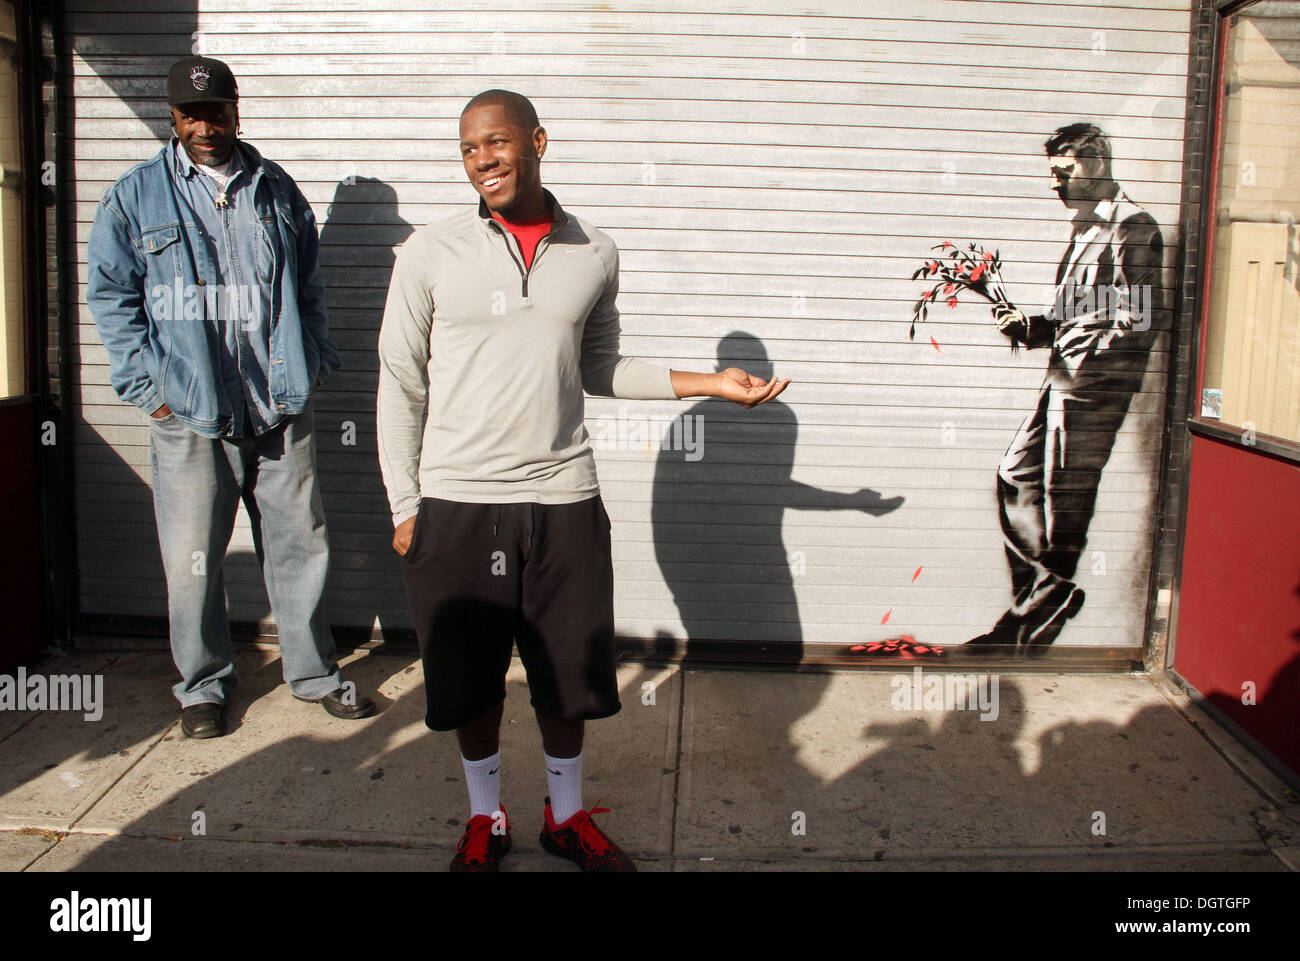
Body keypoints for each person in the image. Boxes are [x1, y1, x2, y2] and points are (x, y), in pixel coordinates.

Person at [377, 89, 789, 871]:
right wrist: (407, 503)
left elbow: (599, 367)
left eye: (495, 144)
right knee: (469, 681)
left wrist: (711, 382)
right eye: (467, 150)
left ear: (536, 140)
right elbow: (399, 380)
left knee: (569, 675)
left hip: (563, 498)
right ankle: (484, 817)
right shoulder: (429, 251)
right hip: (459, 502)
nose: (481, 162)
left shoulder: (594, 250)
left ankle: (565, 818)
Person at [87, 56, 375, 738]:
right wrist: (149, 392)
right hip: (190, 413)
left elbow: (308, 283)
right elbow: (111, 298)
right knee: (191, 559)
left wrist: (315, 361)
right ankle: (203, 688)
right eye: (191, 115)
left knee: (300, 543)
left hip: (278, 404)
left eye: (216, 112)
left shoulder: (275, 188)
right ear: (173, 118)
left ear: (235, 111)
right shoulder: (134, 197)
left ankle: (311, 673)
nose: (204, 126)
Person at [968, 122, 1162, 650]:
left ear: (1096, 163)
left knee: (1065, 495)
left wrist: (1087, 366)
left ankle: (1030, 619)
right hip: (1063, 376)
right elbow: (1068, 317)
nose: (1055, 183)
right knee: (1015, 477)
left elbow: (1140, 321)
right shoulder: (1085, 229)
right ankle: (1043, 593)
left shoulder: (1132, 226)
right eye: (1053, 173)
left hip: (1092, 388)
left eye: (1064, 171)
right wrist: (1027, 327)